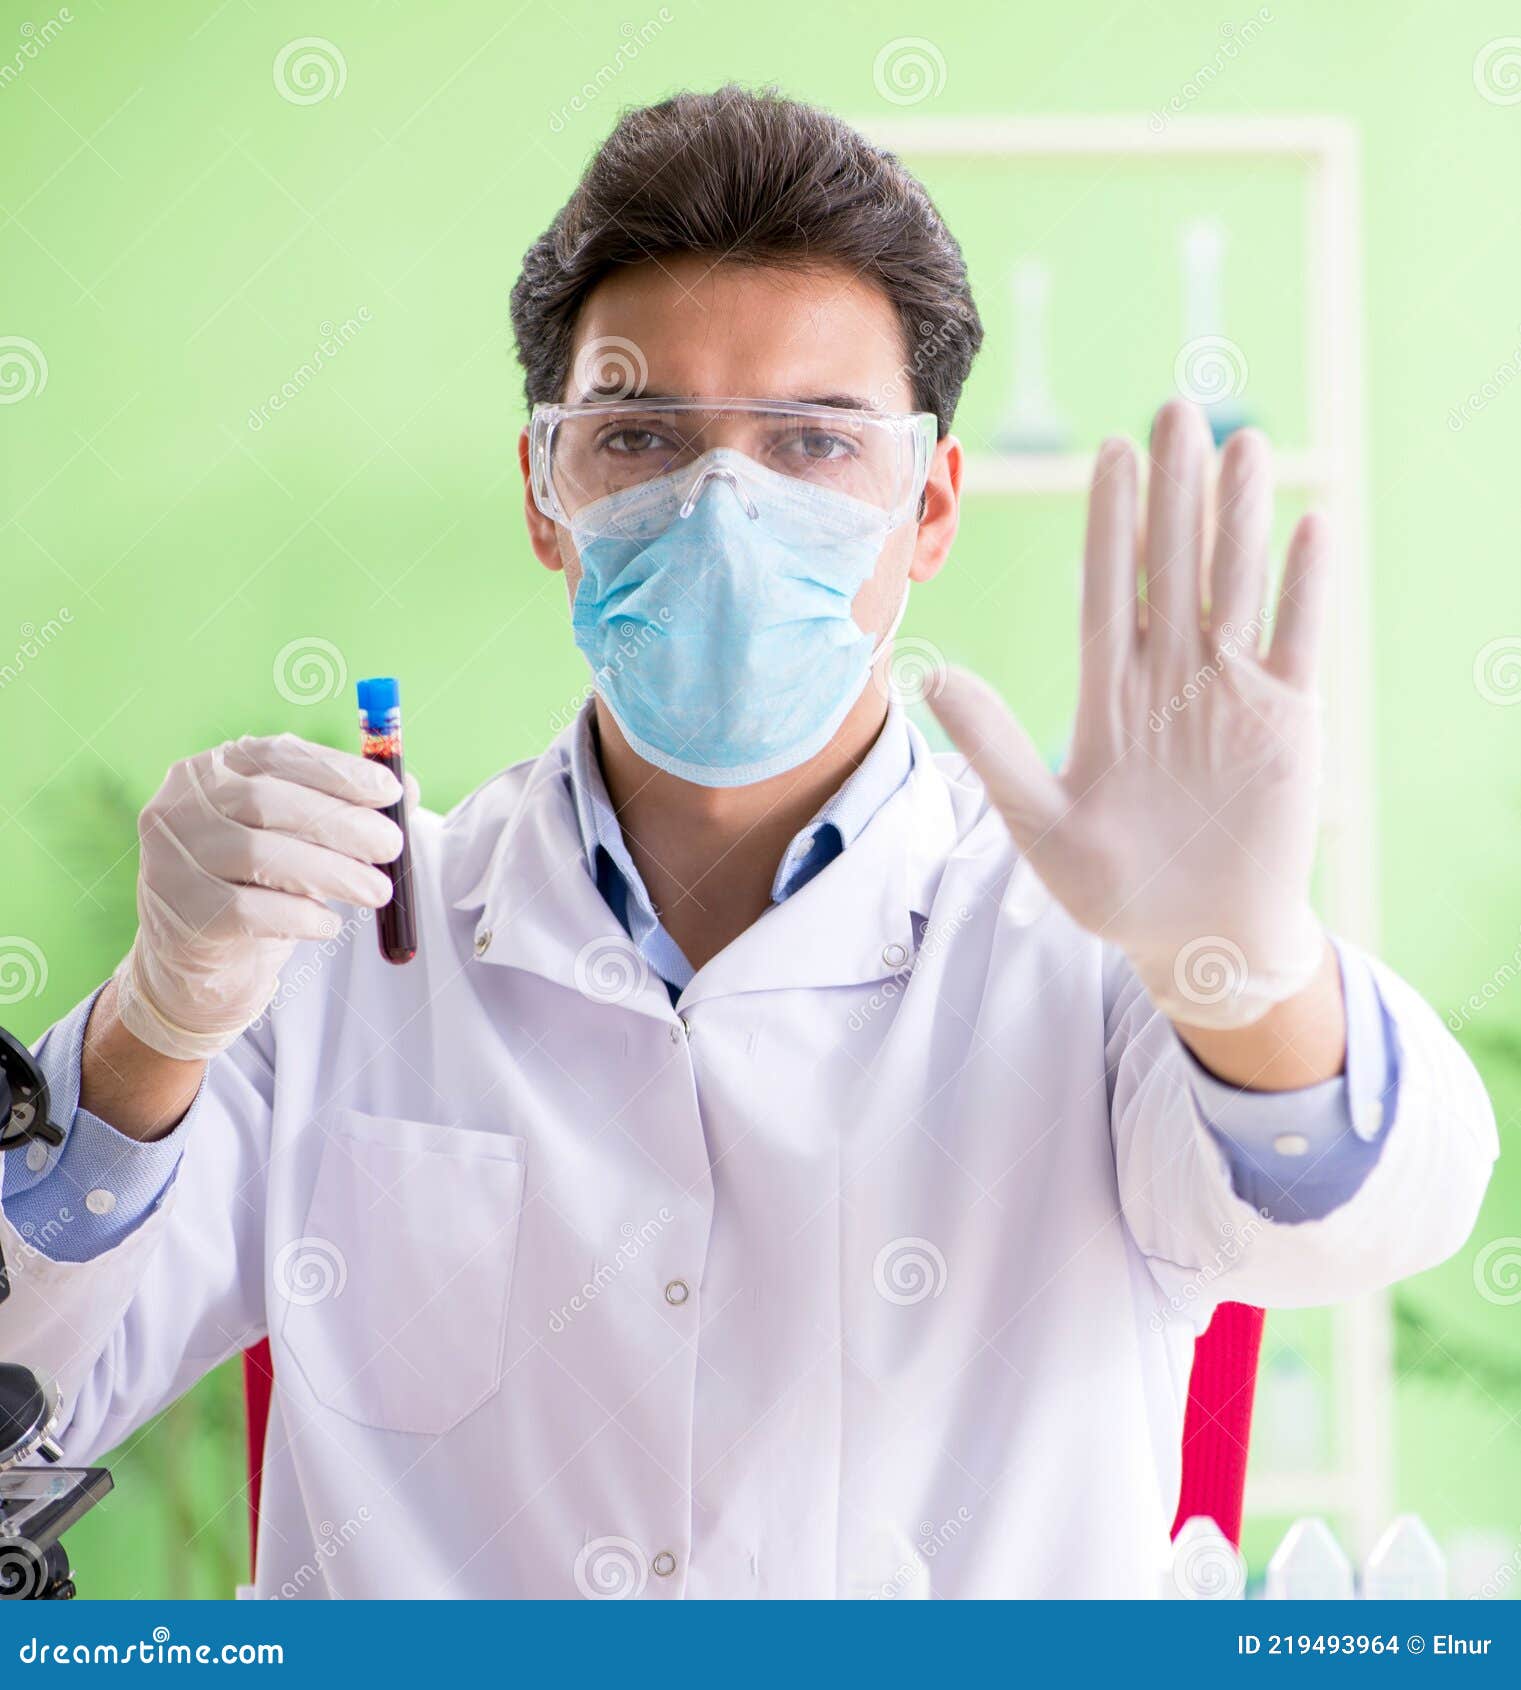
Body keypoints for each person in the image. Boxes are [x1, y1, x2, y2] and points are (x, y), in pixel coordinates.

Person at [2, 86, 1496, 1599]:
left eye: (812, 443)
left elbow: (1377, 1216)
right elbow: (24, 1392)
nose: (723, 510)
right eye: (639, 435)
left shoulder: (1086, 943)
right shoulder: (344, 943)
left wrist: (1233, 967)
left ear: (927, 507)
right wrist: (152, 1023)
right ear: (545, 491)